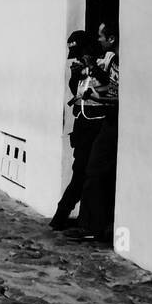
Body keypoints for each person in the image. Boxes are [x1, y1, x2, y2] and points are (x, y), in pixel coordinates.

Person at [69, 25, 119, 244]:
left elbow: (111, 90)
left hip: (102, 121)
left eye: (102, 35)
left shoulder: (107, 61)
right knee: (88, 173)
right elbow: (77, 91)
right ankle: (87, 224)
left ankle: (93, 227)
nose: (99, 40)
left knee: (94, 175)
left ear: (111, 37)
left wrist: (92, 68)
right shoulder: (113, 60)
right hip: (90, 122)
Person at [49, 31, 101, 230]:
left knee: (88, 174)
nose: (78, 58)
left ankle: (71, 217)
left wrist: (92, 68)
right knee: (80, 171)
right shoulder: (79, 68)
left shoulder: (102, 64)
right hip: (82, 124)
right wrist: (77, 74)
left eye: (80, 54)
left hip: (96, 123)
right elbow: (76, 92)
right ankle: (64, 215)